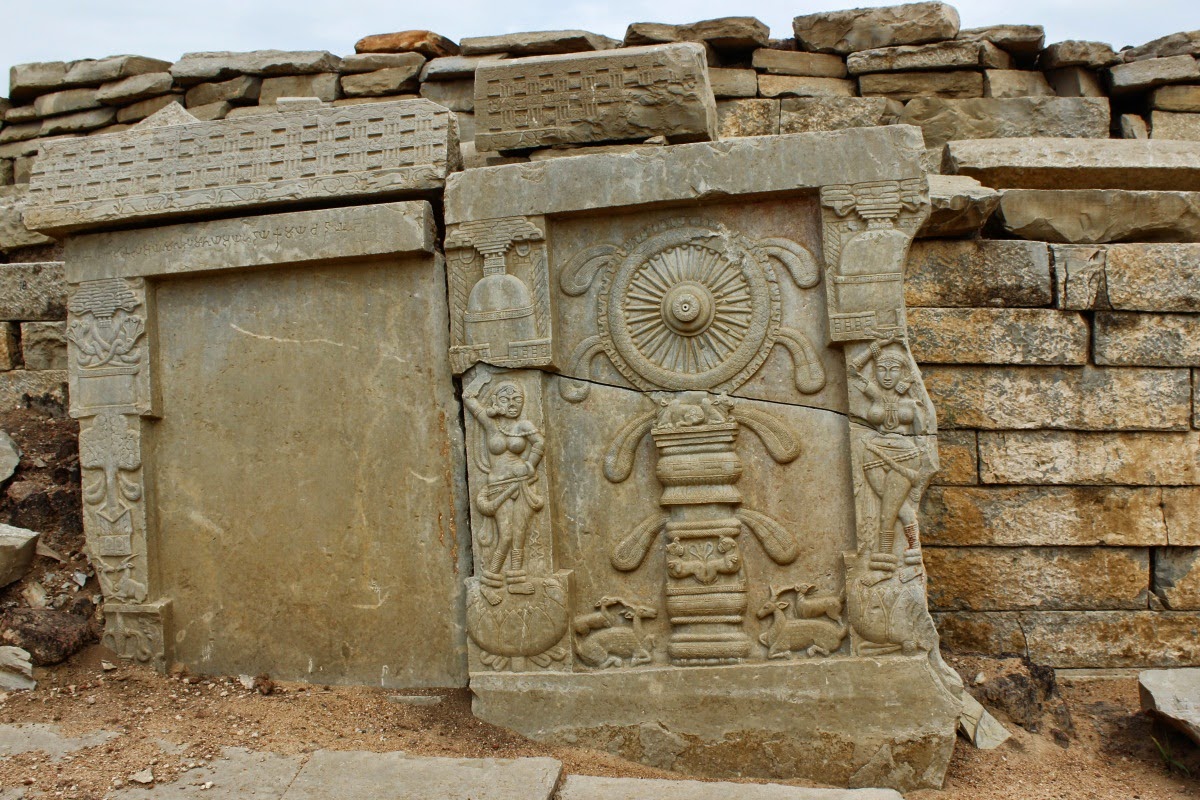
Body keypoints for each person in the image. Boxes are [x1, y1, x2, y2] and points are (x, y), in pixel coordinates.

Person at [849, 334, 935, 564]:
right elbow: (853, 370)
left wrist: (925, 466)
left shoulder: (911, 401)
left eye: (893, 370)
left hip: (905, 455)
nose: (887, 376)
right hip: (873, 453)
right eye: (881, 370)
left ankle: (885, 554)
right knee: (895, 505)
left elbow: (924, 438)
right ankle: (911, 548)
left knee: (889, 508)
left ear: (904, 372)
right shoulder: (875, 394)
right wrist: (877, 347)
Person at [463, 369, 545, 604]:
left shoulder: (524, 425)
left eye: (517, 399)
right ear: (496, 402)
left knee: (519, 534)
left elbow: (540, 443)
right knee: (506, 535)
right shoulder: (490, 425)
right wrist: (481, 378)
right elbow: (468, 399)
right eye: (506, 399)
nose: (512, 404)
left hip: (521, 484)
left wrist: (529, 464)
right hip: (499, 485)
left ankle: (517, 580)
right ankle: (489, 582)